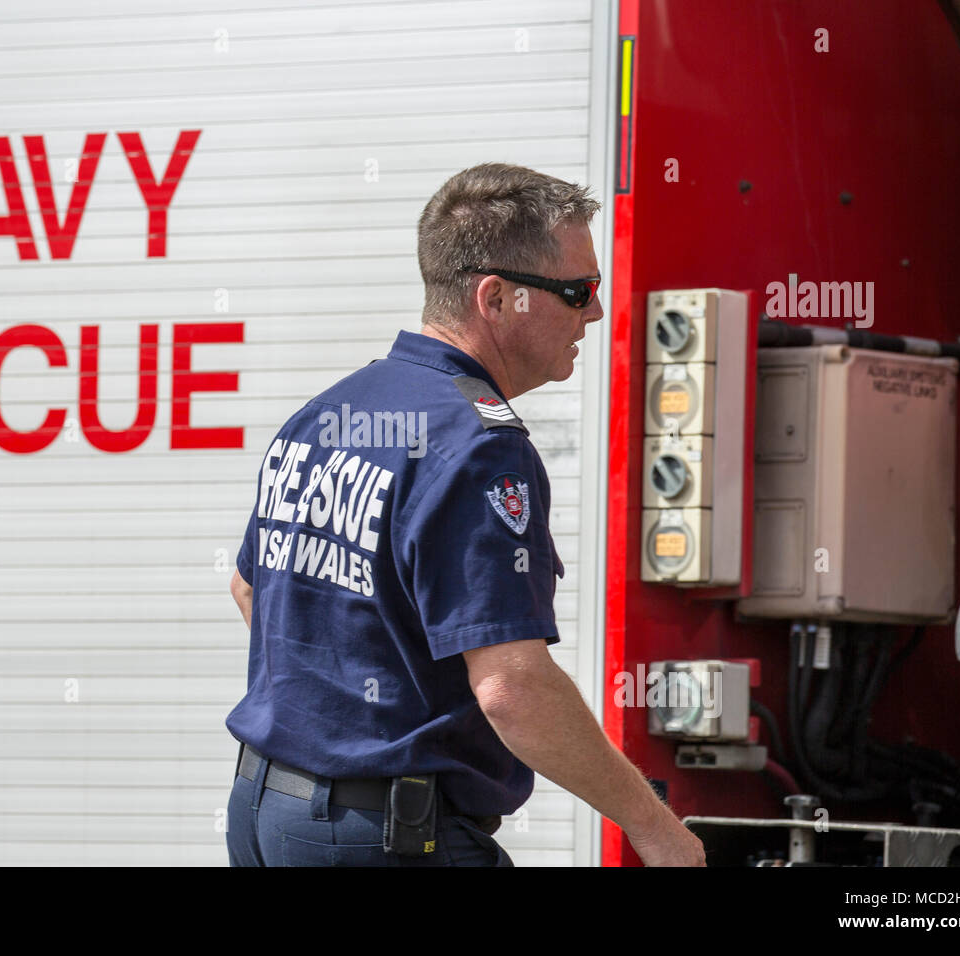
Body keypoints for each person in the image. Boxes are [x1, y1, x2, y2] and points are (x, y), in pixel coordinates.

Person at [224, 163, 705, 867]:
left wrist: (344, 729)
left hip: (267, 814)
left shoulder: (332, 410)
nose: (594, 313)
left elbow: (249, 588)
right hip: (387, 835)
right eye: (577, 291)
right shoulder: (478, 445)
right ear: (496, 297)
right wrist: (654, 827)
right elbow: (512, 687)